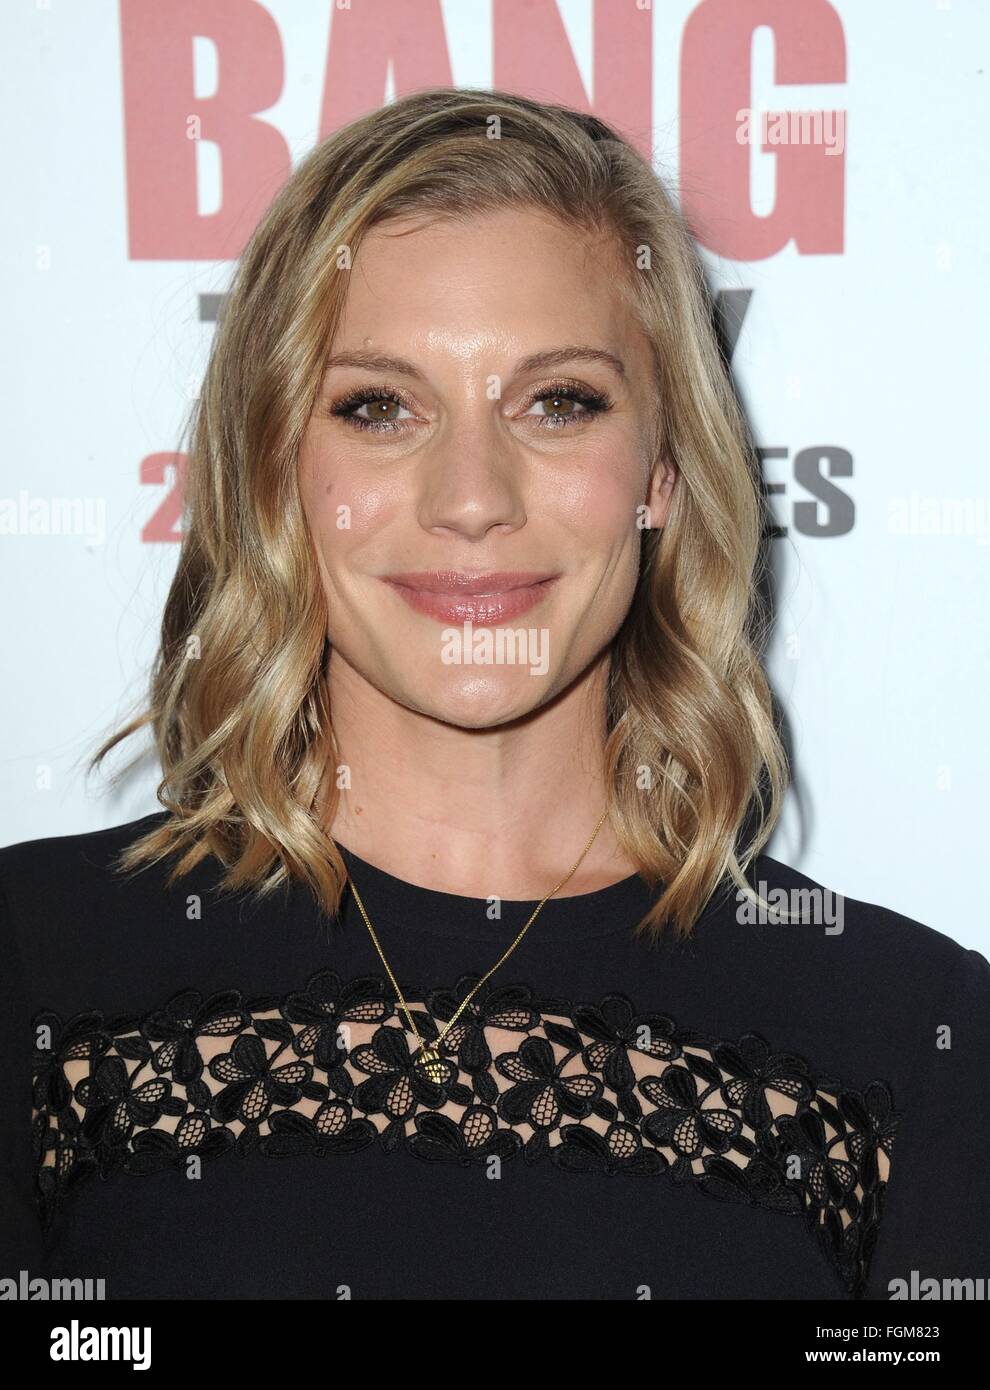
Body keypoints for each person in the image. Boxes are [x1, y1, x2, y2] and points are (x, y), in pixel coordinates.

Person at [1, 87, 987, 1303]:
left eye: (559, 401)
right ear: (272, 470)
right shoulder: (31, 968)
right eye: (379, 407)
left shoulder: (916, 1036)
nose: (473, 495)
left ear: (665, 472)